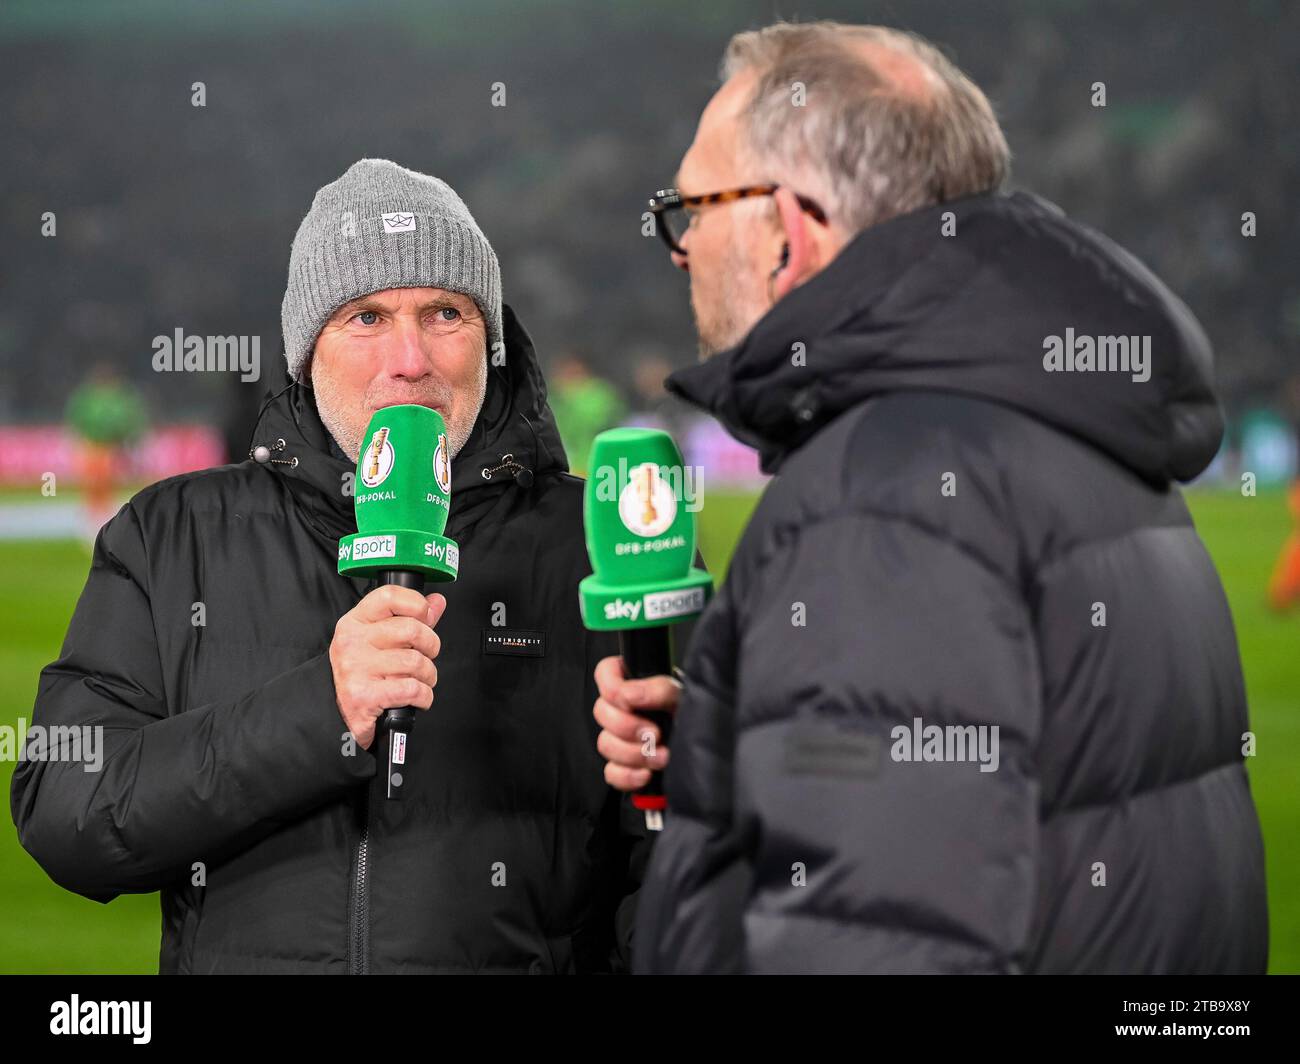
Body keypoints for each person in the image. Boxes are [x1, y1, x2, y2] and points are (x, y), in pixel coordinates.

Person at [592, 21, 1268, 973]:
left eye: (692, 208)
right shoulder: (1072, 433)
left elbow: (873, 946)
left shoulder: (884, 500)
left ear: (789, 234)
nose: (681, 248)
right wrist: (741, 751)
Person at [13, 158, 651, 974]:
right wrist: (320, 710)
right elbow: (65, 812)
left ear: (489, 344)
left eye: (445, 312)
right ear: (305, 349)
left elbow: (678, 876)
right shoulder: (171, 536)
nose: (410, 358)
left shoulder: (598, 546)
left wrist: (698, 772)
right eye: (366, 317)